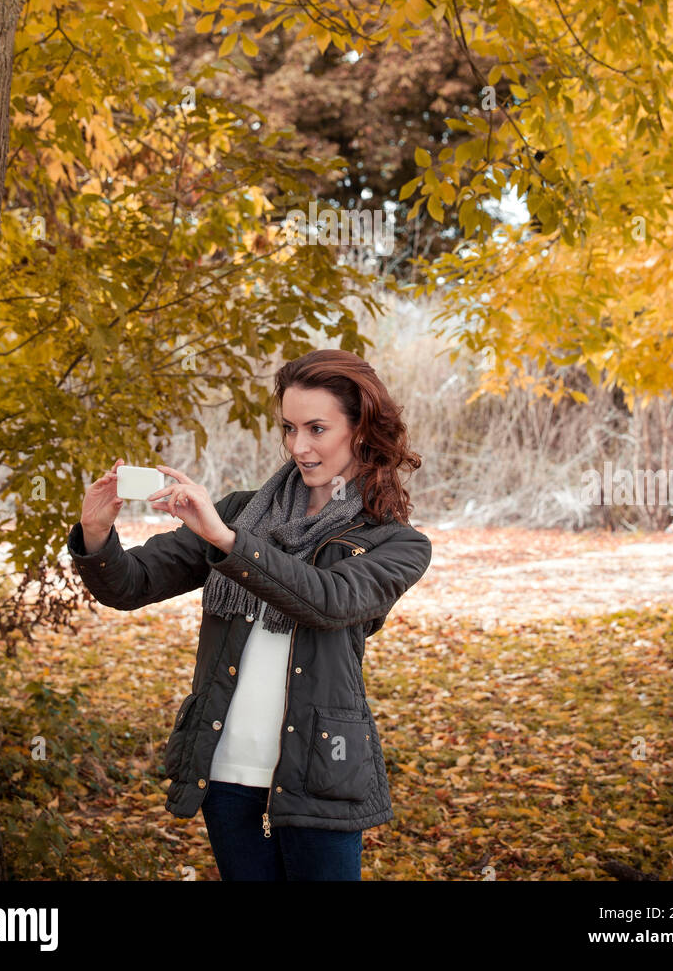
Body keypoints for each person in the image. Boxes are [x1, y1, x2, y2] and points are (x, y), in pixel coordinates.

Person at [69, 348, 432, 881]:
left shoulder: (395, 543)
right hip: (225, 769)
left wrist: (225, 539)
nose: (298, 447)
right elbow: (130, 584)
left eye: (316, 428)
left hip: (319, 774)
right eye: (289, 428)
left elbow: (326, 601)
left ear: (360, 429)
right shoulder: (243, 512)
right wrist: (97, 532)